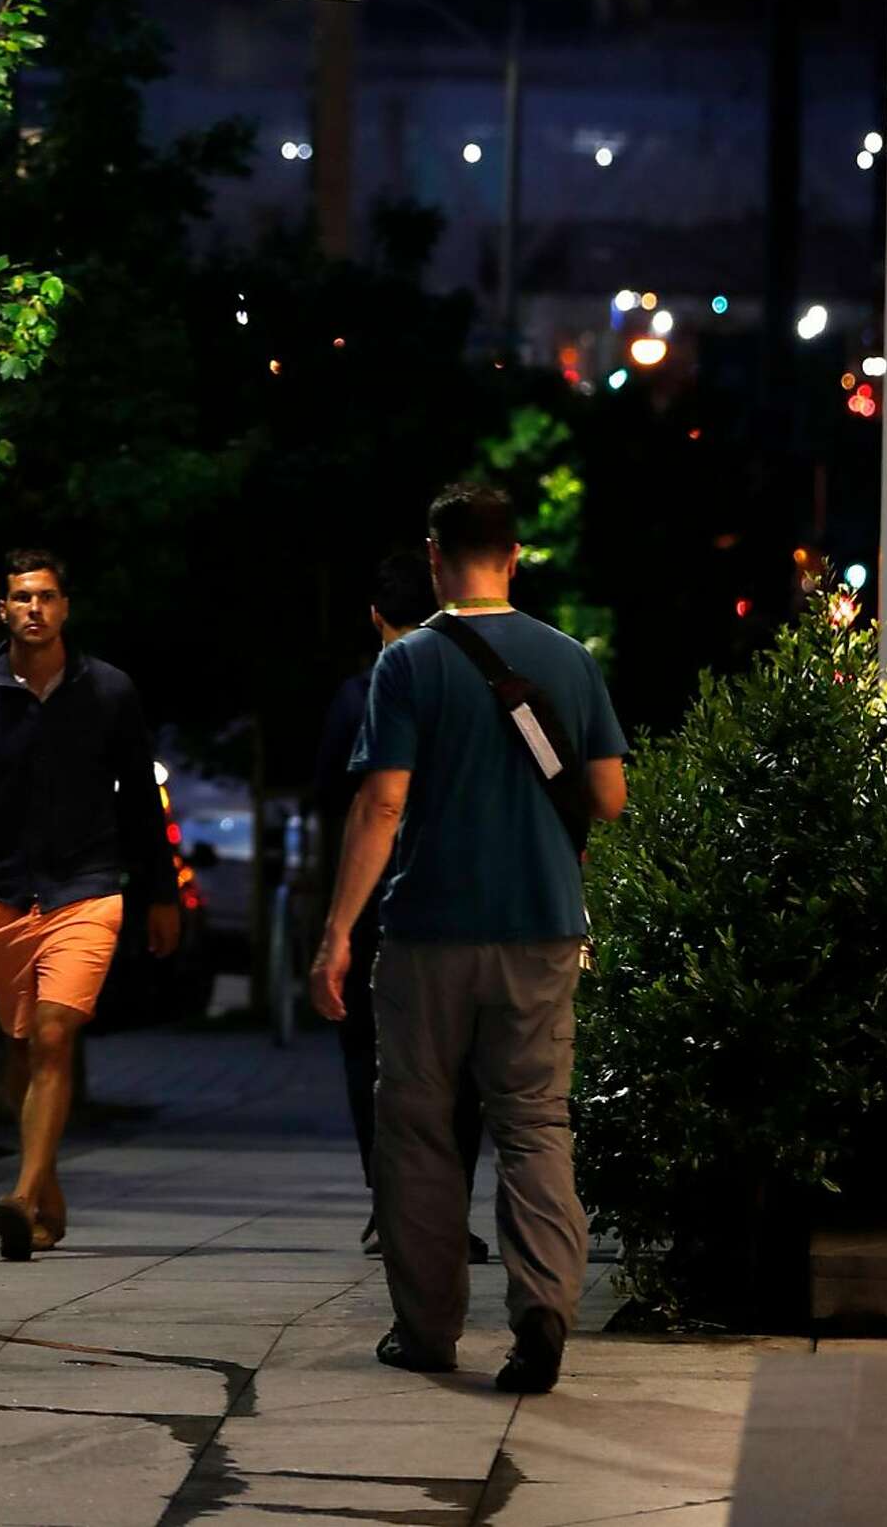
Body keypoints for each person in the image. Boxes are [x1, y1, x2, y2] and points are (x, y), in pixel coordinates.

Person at [312, 481, 627, 1396]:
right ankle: (543, 1310)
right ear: (515, 556)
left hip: (428, 931)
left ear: (435, 556)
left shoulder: (407, 662)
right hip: (541, 926)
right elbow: (608, 797)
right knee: (534, 1122)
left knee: (417, 1128)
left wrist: (337, 932)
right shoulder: (570, 659)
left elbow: (382, 804)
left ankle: (426, 1330)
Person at [0, 549, 180, 1261]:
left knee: (52, 1034)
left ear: (65, 607)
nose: (34, 609)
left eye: (46, 596)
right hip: (2, 894)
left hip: (88, 888)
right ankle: (47, 1193)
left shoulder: (108, 691)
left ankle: (19, 1197)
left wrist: (161, 893)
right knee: (21, 1046)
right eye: (22, 597)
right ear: (4, 609)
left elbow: (141, 803)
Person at [312, 552, 485, 1262]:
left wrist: (334, 924)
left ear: (375, 615)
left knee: (373, 1059)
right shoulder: (471, 684)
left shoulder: (359, 697)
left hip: (376, 901)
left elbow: (341, 802)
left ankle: (391, 1205)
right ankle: (449, 1208)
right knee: (462, 1065)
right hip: (462, 896)